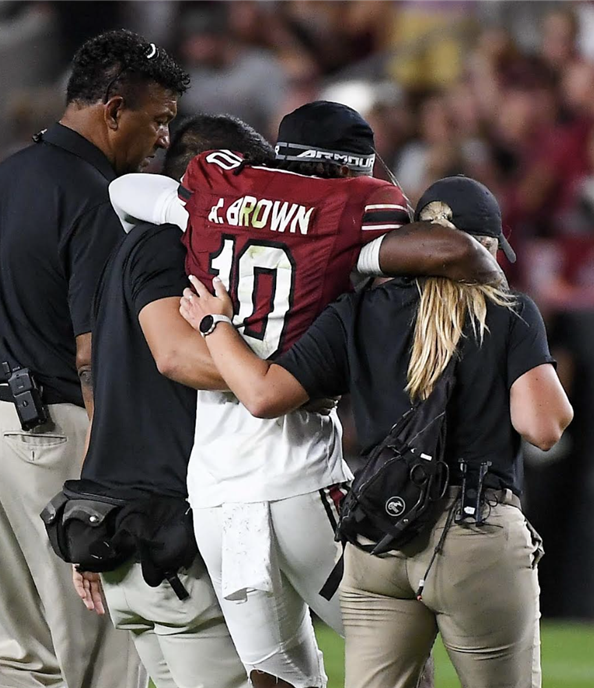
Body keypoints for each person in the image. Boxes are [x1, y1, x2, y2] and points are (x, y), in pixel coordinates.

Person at [110, 101, 502, 687]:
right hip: (299, 482)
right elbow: (454, 252)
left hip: (215, 495)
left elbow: (123, 191)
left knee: (276, 676)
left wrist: (192, 213)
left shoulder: (212, 196)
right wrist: (499, 297)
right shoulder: (351, 211)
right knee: (398, 657)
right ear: (350, 169)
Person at [180, 175, 571, 688]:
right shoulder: (508, 312)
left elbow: (262, 395)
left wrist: (216, 327)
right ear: (487, 249)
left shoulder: (356, 312)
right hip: (476, 534)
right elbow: (542, 427)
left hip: (380, 538)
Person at [0, 30, 187, 688]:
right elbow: (91, 352)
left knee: (17, 659)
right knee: (106, 657)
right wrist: (103, 481)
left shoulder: (1, 179)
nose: (164, 137)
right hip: (46, 434)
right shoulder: (93, 195)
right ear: (113, 110)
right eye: (158, 119)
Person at [70, 114, 273, 688]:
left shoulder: (127, 249)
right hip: (172, 540)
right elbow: (176, 356)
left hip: (134, 536)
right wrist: (285, 379)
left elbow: (101, 383)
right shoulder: (167, 245)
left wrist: (95, 495)